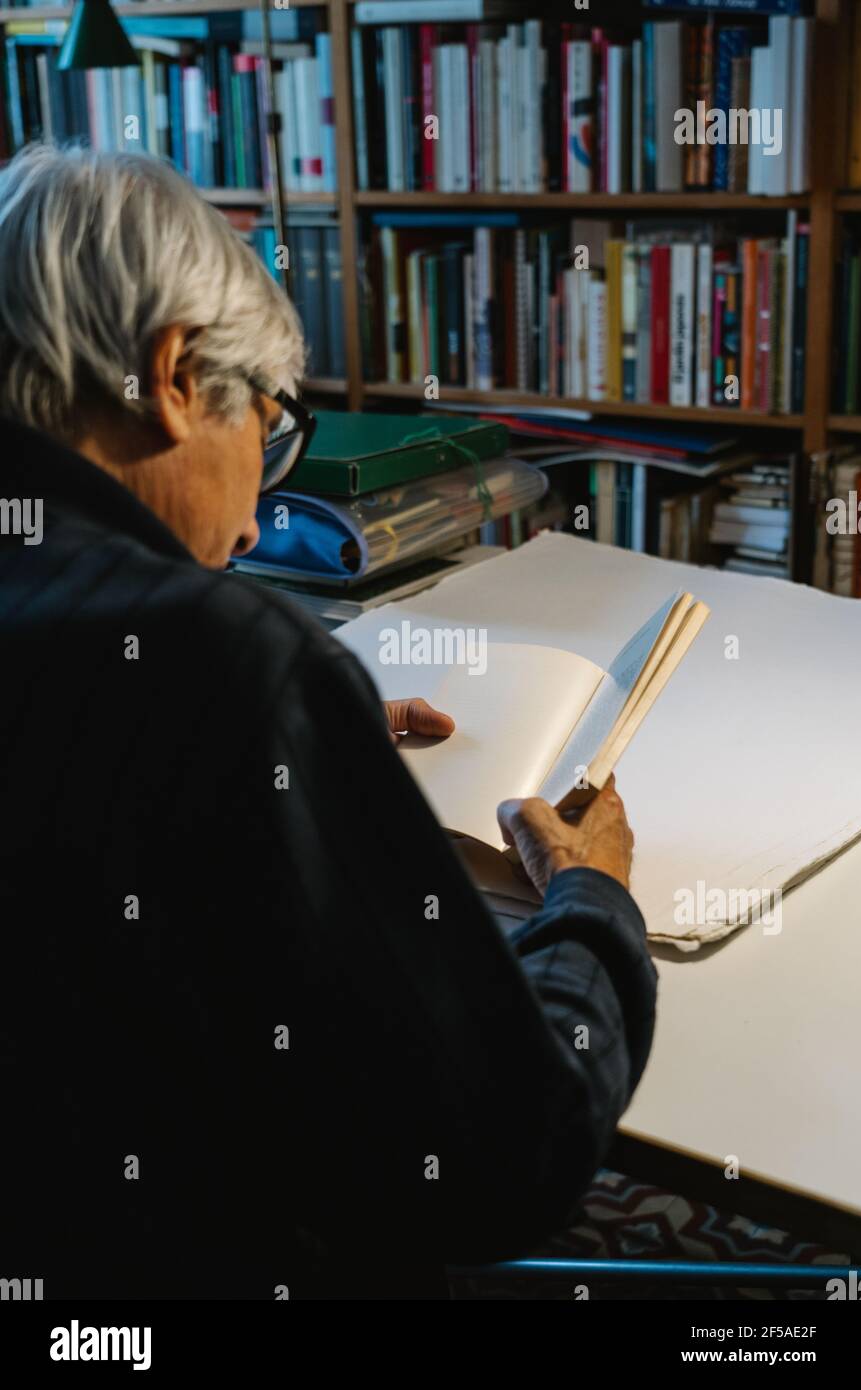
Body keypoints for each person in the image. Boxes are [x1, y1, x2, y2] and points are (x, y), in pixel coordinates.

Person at [0, 145, 656, 1300]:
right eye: (270, 425)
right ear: (170, 372)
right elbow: (506, 1156)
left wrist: (280, 739)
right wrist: (594, 901)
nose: (256, 529)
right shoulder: (225, 663)